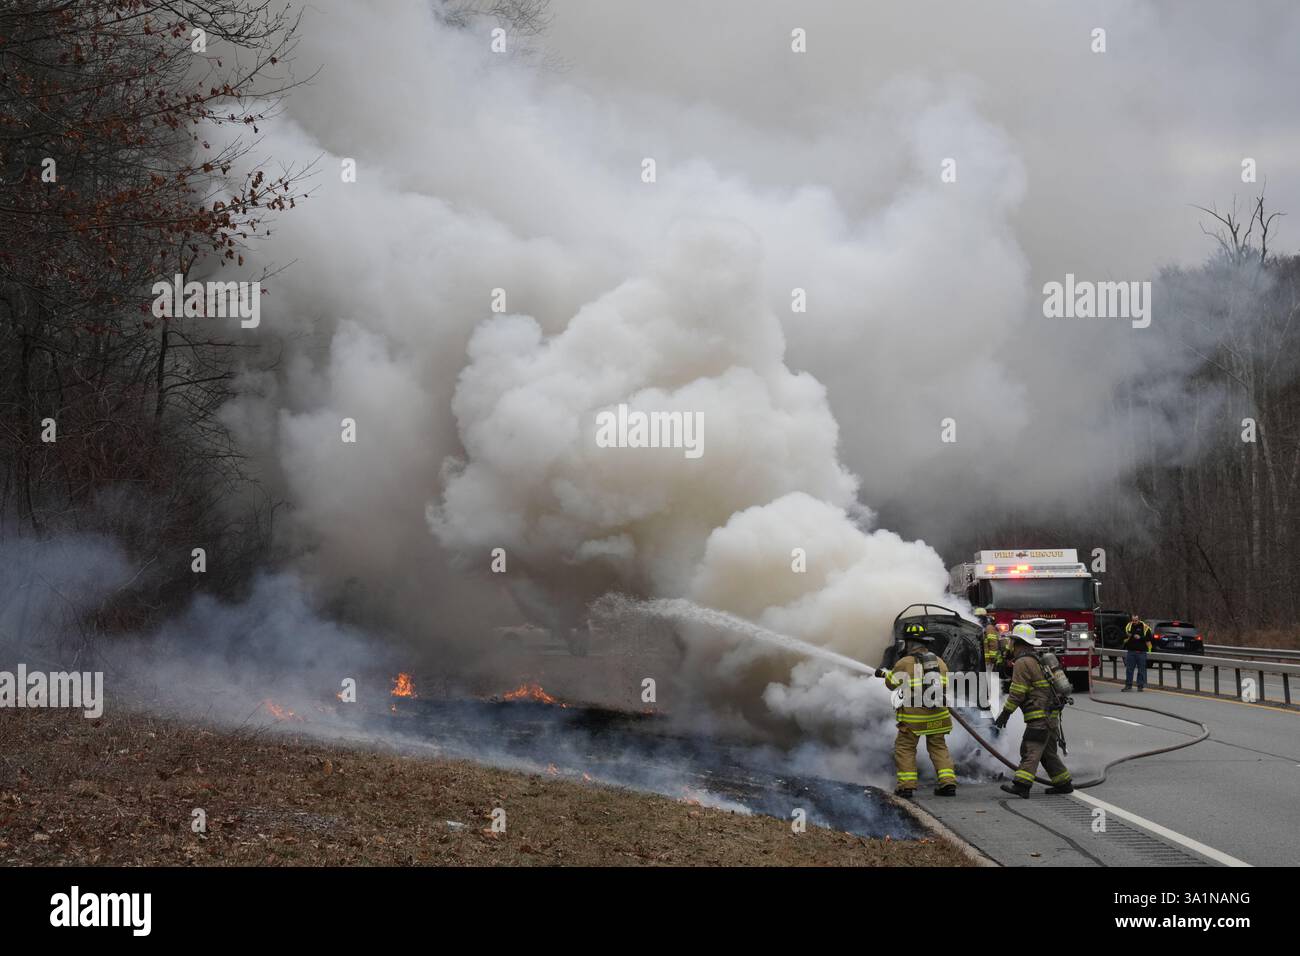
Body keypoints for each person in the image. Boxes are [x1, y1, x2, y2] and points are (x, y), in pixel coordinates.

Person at [876, 623, 958, 798]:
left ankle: (906, 786)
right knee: (938, 747)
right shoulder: (939, 662)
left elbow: (891, 684)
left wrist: (885, 674)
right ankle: (948, 783)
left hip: (914, 718)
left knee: (905, 748)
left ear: (910, 643)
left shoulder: (904, 662)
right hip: (939, 715)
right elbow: (946, 685)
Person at [994, 624, 1073, 798]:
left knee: (1030, 749)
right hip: (1050, 714)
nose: (1010, 645)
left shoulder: (1022, 662)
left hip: (1039, 715)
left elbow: (1018, 692)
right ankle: (1063, 783)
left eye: (1012, 641)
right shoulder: (1036, 659)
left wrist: (1005, 713)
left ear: (1017, 642)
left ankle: (1022, 785)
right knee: (1047, 753)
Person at [1122, 614, 1154, 692]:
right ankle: (1128, 685)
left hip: (1141, 652)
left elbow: (1149, 638)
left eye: (1136, 620)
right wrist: (1129, 636)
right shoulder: (1128, 626)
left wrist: (1140, 638)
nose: (1134, 622)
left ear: (1139, 619)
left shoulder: (1145, 627)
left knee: (1141, 670)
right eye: (1133, 620)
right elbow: (1124, 636)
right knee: (1129, 670)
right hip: (1131, 652)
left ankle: (1140, 686)